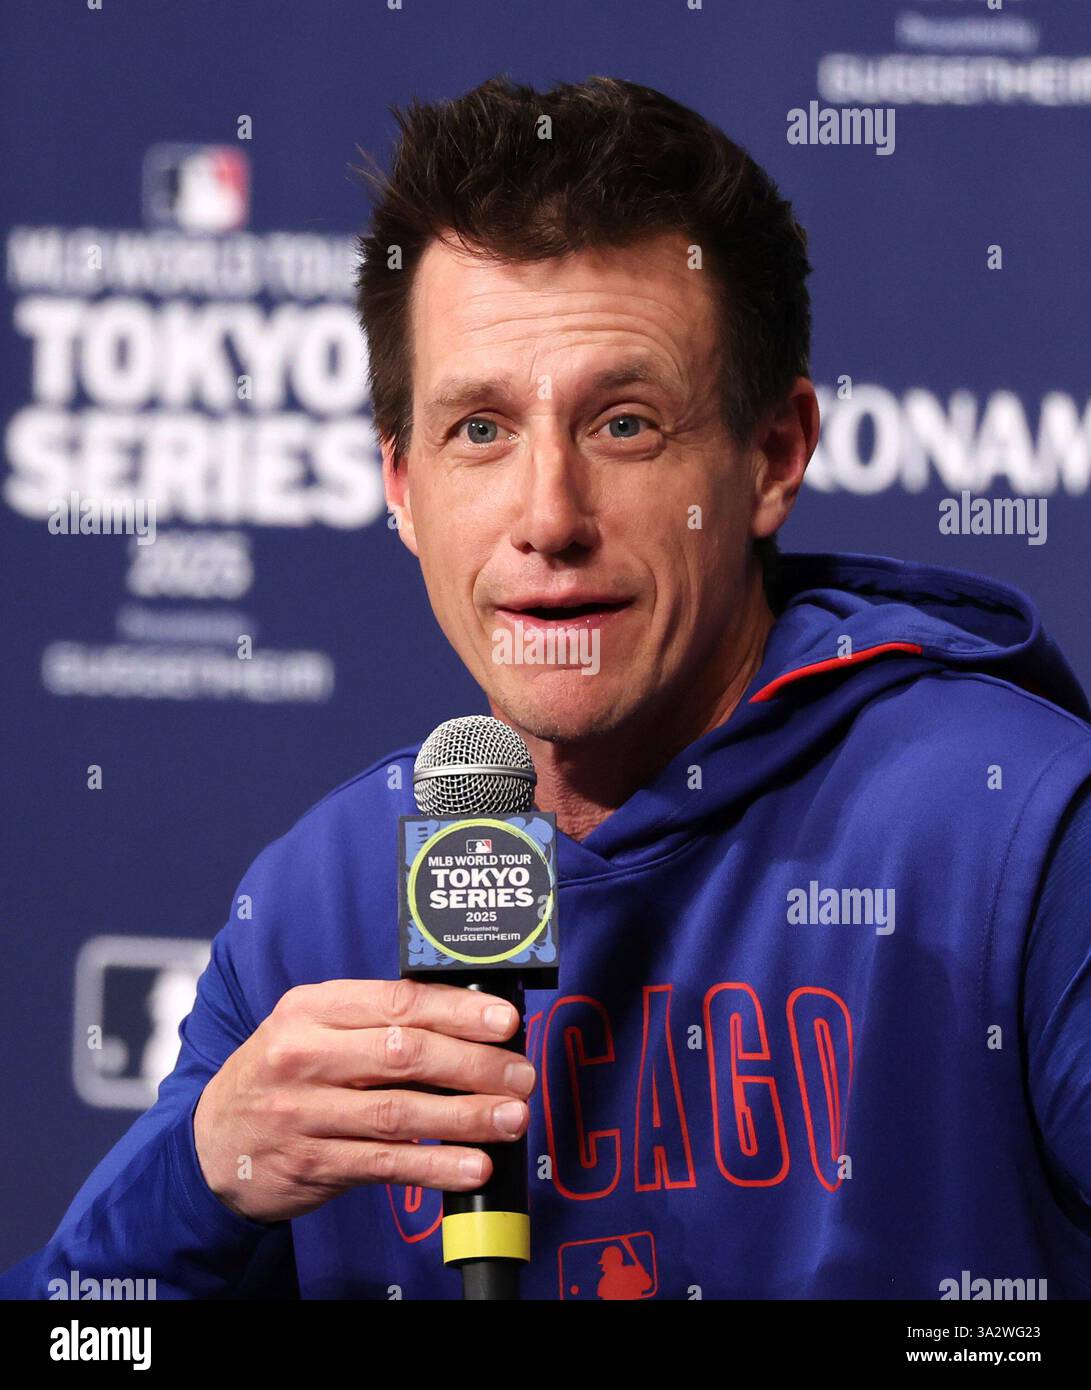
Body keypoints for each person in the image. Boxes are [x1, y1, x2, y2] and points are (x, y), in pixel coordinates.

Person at [5, 75, 1090, 1301]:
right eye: (479, 430)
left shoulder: (1011, 833)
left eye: (623, 424)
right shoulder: (319, 904)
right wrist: (199, 1175)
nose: (548, 517)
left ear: (771, 457)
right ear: (402, 487)